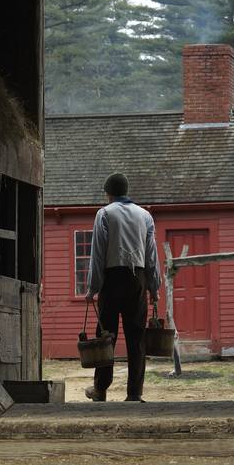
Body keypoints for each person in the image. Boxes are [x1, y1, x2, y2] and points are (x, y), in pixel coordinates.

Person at [84, 172, 161, 402]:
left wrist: (92, 288)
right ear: (126, 192)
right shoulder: (145, 216)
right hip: (138, 279)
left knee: (106, 336)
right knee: (137, 337)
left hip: (112, 277)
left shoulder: (105, 214)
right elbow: (151, 256)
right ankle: (135, 393)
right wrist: (154, 287)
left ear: (109, 193)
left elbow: (97, 253)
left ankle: (101, 389)